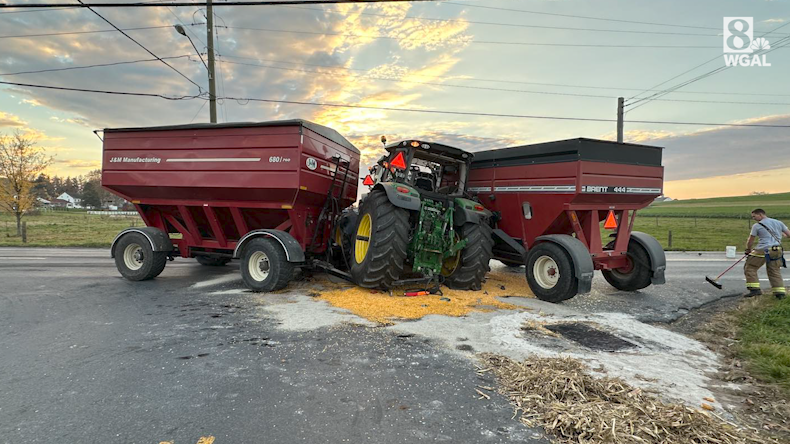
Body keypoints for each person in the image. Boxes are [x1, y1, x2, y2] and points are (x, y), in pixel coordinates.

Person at [743, 208, 790, 299]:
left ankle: (754, 290)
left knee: (750, 267)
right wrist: (782, 236)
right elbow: (789, 235)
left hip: (763, 249)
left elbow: (750, 240)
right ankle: (780, 294)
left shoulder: (757, 226)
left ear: (760, 214)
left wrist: (748, 249)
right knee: (774, 271)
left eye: (754, 216)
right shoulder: (778, 222)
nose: (753, 218)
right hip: (777, 249)